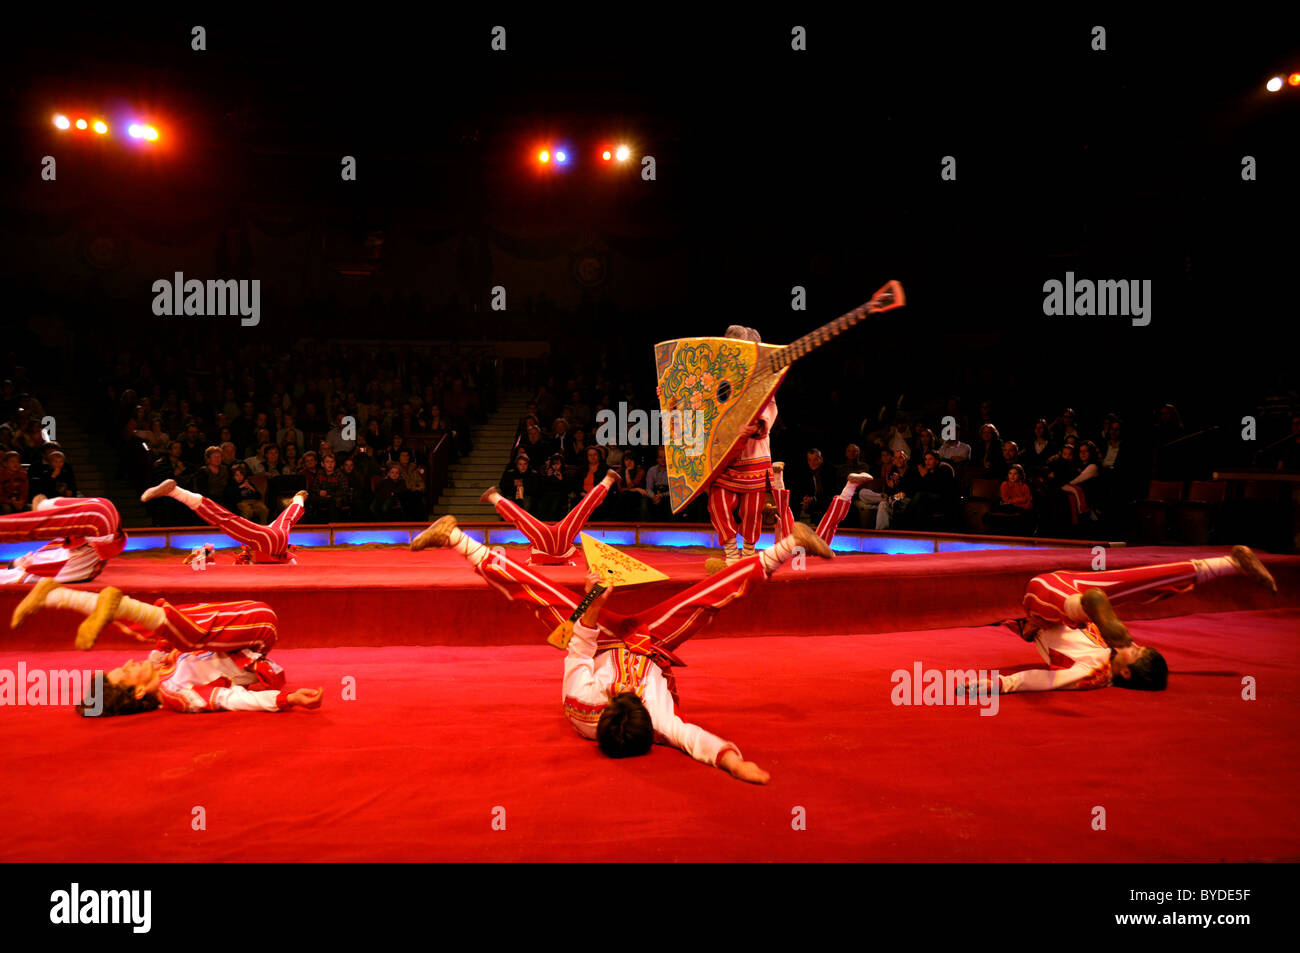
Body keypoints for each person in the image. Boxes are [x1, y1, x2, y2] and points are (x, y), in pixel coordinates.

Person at [410, 514, 838, 782]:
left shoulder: (580, 703)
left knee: (541, 596)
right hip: (651, 643)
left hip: (597, 640)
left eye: (617, 693)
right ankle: (788, 545)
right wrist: (732, 762)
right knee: (703, 602)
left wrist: (592, 603)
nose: (622, 688)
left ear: (606, 704)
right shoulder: (659, 723)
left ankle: (456, 538)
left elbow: (578, 649)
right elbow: (695, 740)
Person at [965, 546, 1276, 695]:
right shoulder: (1110, 649)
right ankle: (1231, 562)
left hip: (1046, 599)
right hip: (1066, 593)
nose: (1136, 644)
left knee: (1127, 589)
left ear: (1124, 673)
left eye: (1137, 651)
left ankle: (1085, 606)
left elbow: (1046, 680)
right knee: (1139, 584)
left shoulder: (1095, 673)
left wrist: (1002, 684)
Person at [11, 581, 322, 715]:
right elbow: (232, 699)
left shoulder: (159, 666)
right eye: (125, 672)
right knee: (179, 635)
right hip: (256, 631)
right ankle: (108, 605)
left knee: (154, 631)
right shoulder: (178, 695)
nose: (129, 663)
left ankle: (56, 596)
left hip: (226, 622)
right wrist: (286, 699)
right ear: (136, 693)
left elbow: (158, 642)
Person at [704, 325, 780, 567]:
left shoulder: (762, 378)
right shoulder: (713, 375)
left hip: (753, 453)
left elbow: (770, 408)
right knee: (718, 502)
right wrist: (670, 396)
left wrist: (759, 425)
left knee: (752, 508)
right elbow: (696, 403)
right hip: (722, 452)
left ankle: (748, 550)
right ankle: (730, 550)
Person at [141, 478, 307, 565]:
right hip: (271, 542)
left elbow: (290, 516)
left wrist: (203, 556)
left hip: (274, 541)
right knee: (227, 520)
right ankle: (175, 491)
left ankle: (175, 491)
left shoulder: (261, 545)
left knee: (287, 518)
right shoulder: (262, 544)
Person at [480, 468, 620, 564]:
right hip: (557, 539)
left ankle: (493, 496)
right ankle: (608, 479)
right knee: (583, 509)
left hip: (549, 541)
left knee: (520, 517)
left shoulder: (544, 553)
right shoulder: (556, 555)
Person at [0, 496, 126, 584]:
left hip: (102, 511)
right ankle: (43, 505)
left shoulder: (47, 555)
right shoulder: (39, 573)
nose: (28, 554)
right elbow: (7, 577)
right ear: (21, 568)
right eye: (23, 559)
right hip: (99, 524)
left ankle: (44, 505)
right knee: (30, 525)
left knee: (45, 515)